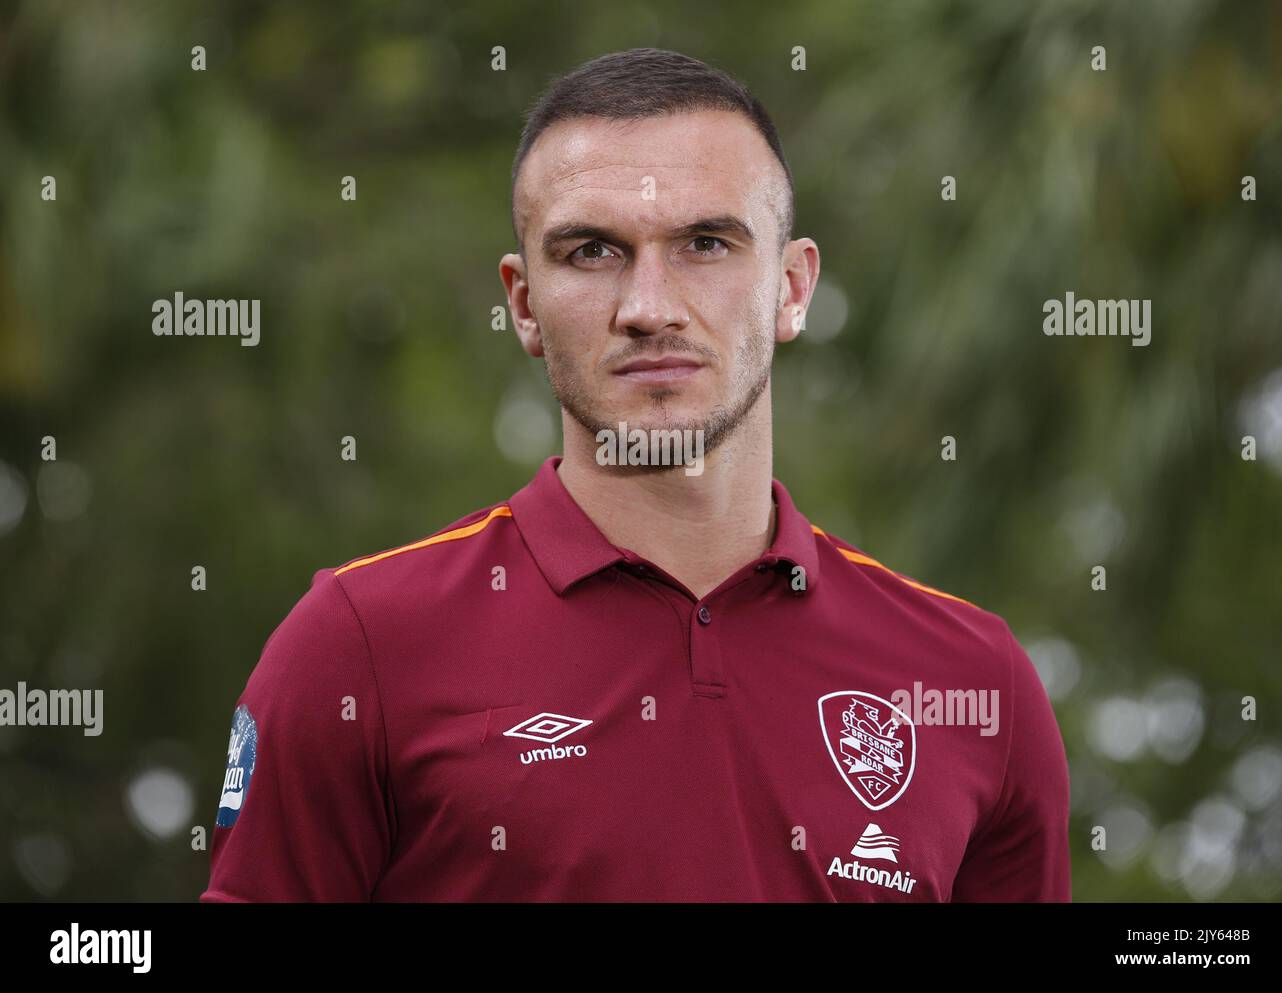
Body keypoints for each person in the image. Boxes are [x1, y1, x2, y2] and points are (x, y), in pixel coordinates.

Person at [201, 47, 1070, 902]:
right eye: (592, 252)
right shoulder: (359, 646)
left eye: (704, 242)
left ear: (793, 287)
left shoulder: (972, 679)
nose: (649, 308)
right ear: (523, 303)